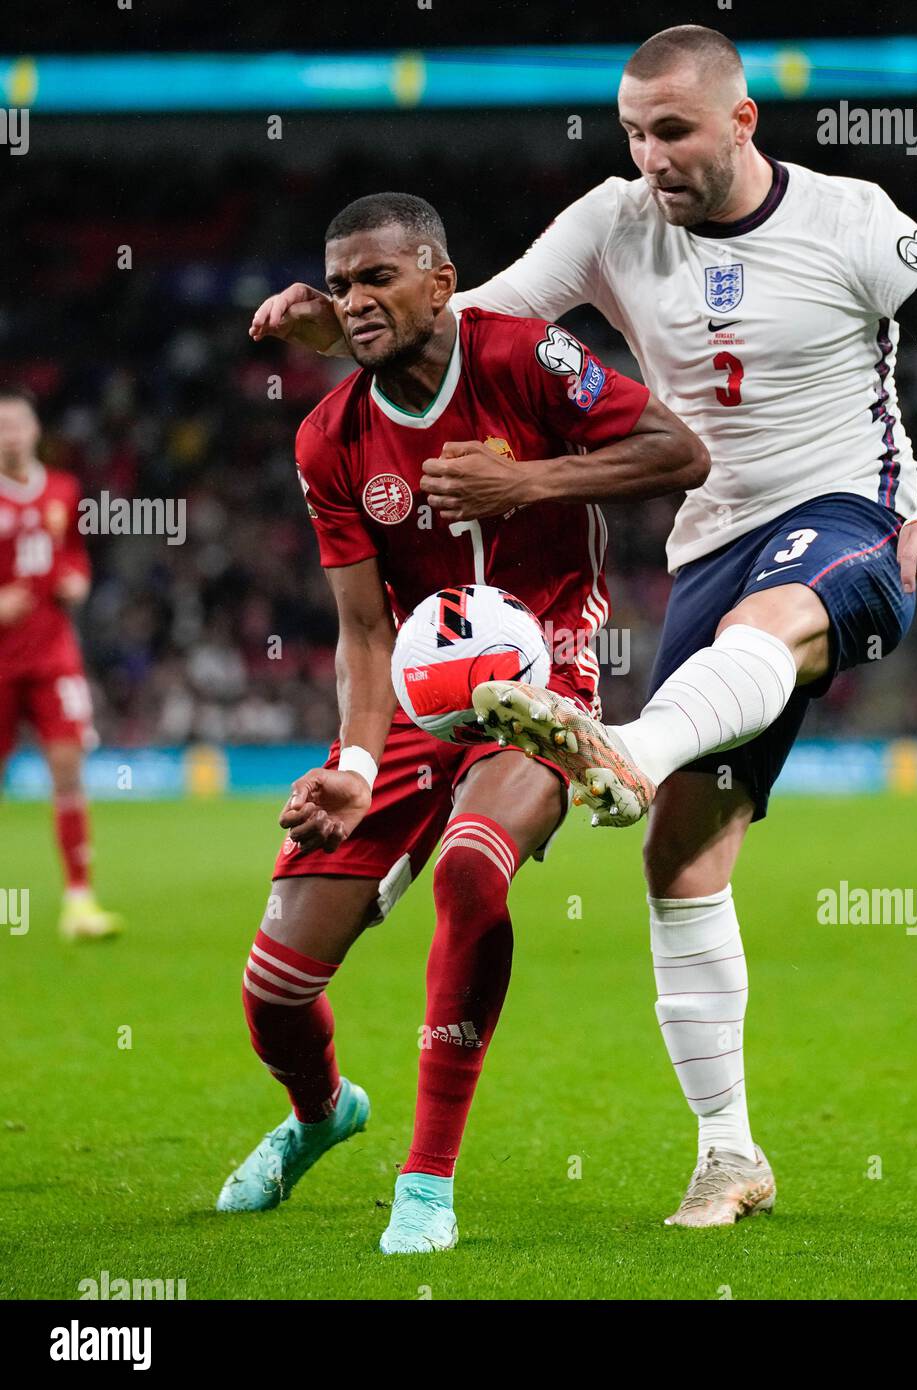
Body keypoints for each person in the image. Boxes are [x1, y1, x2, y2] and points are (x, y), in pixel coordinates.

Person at [249, 26, 917, 1228]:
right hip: (707, 541)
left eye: (670, 131)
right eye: (631, 133)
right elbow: (468, 318)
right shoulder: (613, 220)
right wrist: (344, 328)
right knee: (679, 860)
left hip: (847, 510)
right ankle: (730, 1155)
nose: (648, 156)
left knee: (746, 648)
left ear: (739, 122)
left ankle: (624, 747)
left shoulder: (851, 217)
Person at [219, 192, 707, 1253]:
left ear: (440, 280)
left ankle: (427, 1182)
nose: (353, 300)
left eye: (377, 277)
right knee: (274, 989)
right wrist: (352, 761)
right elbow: (357, 628)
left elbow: (680, 452)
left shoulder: (529, 360)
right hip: (409, 707)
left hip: (543, 686)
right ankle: (320, 1114)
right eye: (340, 283)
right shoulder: (327, 439)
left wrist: (524, 479)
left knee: (470, 871)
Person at [0, 385, 122, 941]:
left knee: (68, 769)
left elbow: (74, 552)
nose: (10, 435)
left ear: (34, 431)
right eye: (2, 427)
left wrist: (78, 578)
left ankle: (79, 900)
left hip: (53, 654)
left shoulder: (63, 489)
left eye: (18, 425)